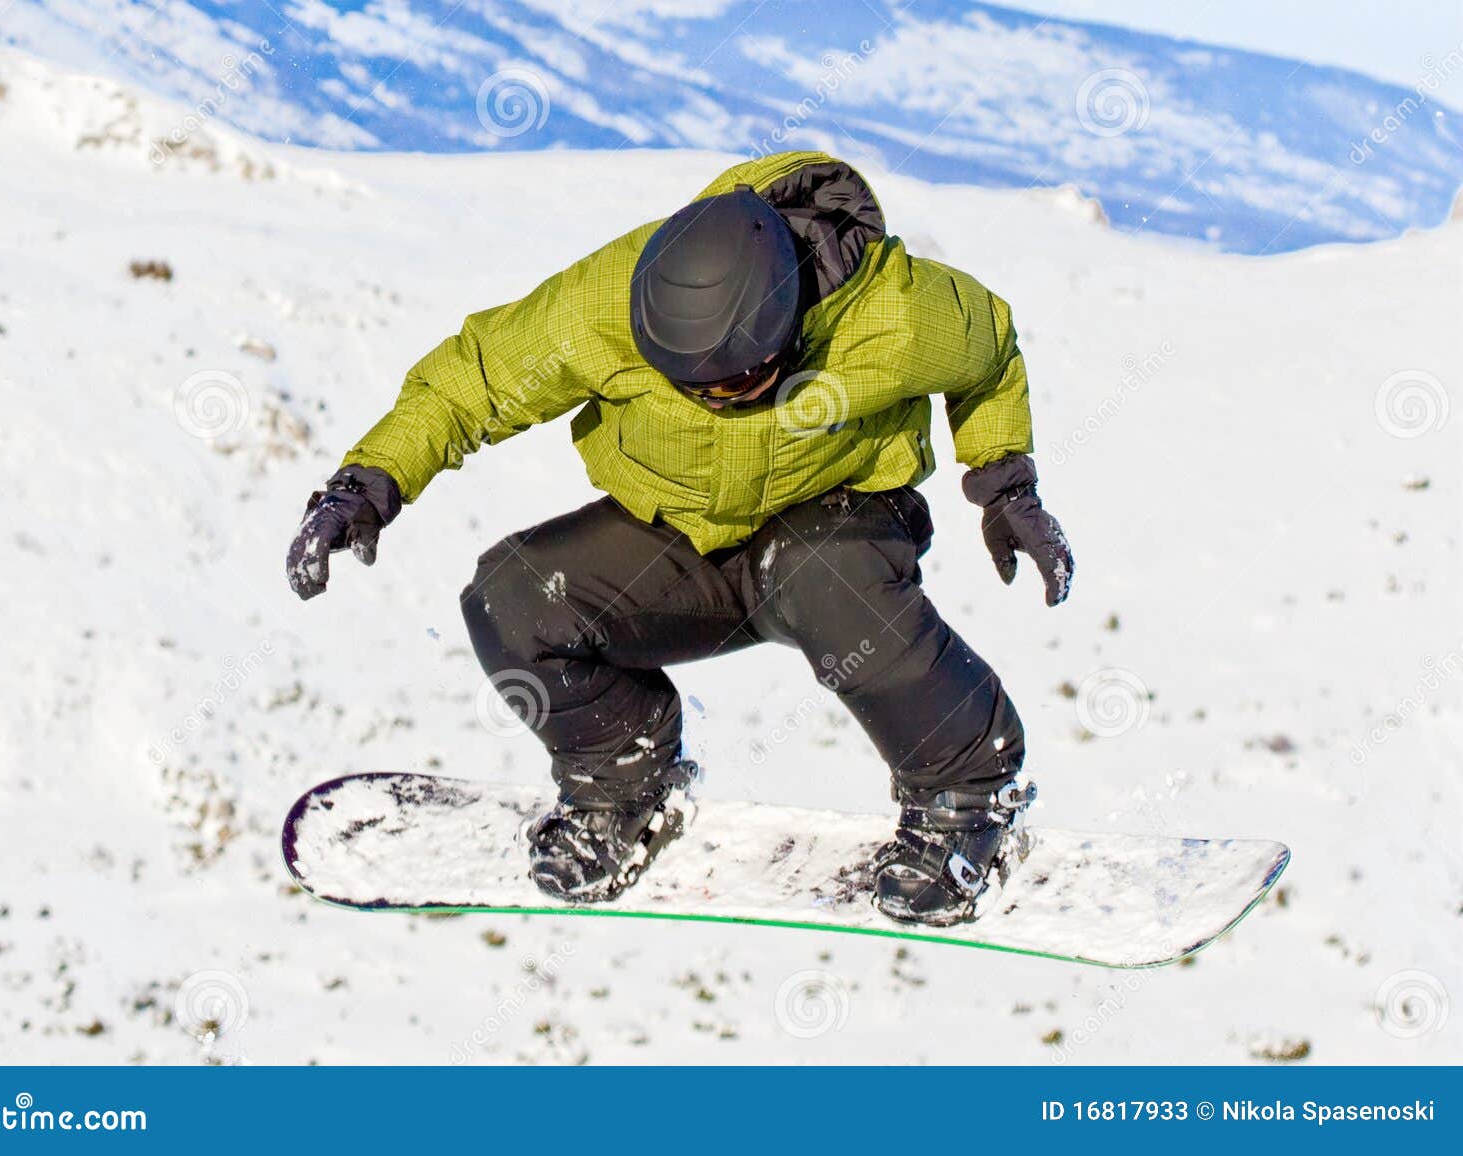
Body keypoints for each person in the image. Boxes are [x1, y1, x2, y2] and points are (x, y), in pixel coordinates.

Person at [285, 151, 1073, 926]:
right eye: (685, 383)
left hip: (840, 524)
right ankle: (623, 778)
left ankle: (967, 794)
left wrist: (1006, 487)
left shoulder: (894, 314)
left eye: (731, 384)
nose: (712, 399)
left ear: (784, 327)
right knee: (513, 598)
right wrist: (366, 485)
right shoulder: (604, 306)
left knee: (813, 574)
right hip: (688, 540)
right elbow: (474, 380)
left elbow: (990, 352)